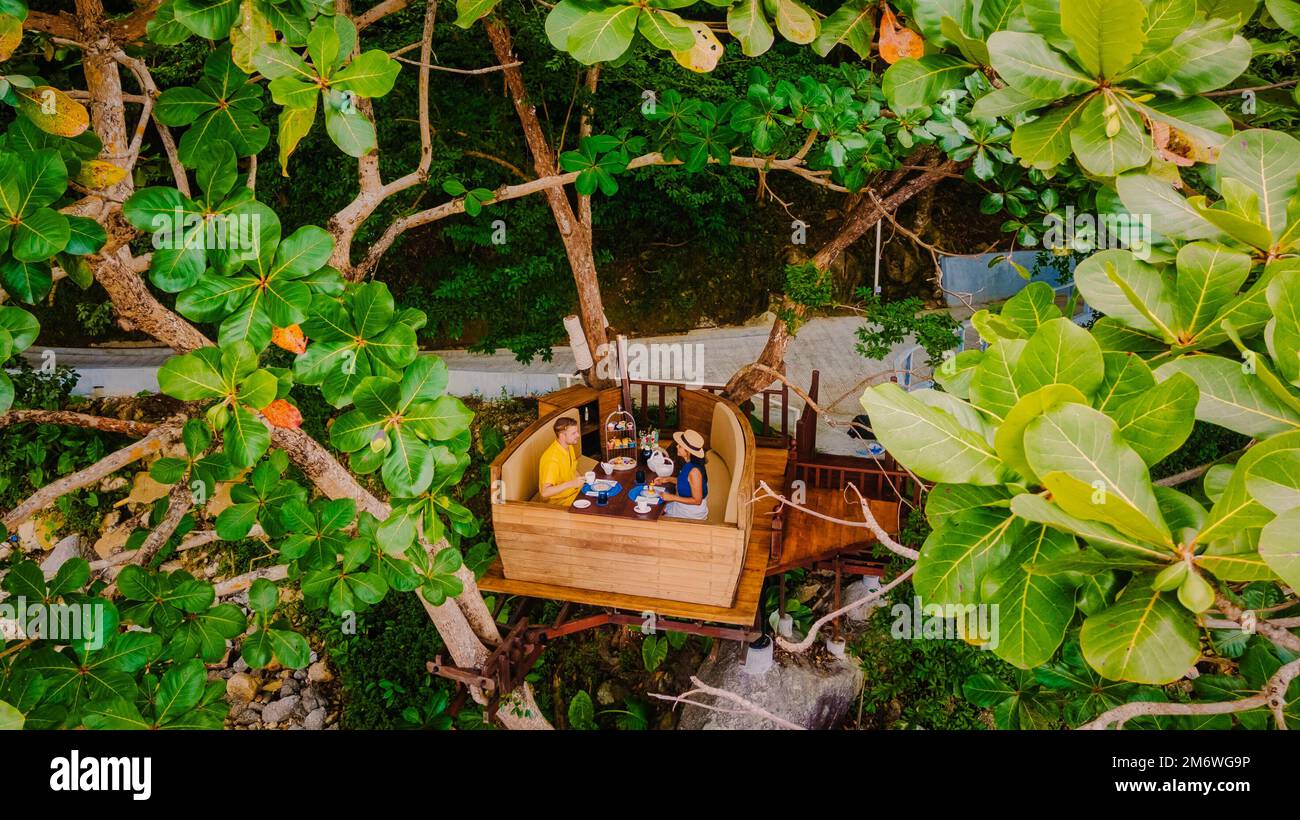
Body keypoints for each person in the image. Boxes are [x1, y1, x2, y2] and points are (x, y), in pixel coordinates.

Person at [654, 428, 709, 520]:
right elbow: (686, 482)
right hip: (682, 506)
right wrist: (667, 479)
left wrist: (672, 497)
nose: (677, 447)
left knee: (656, 517)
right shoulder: (689, 462)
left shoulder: (694, 472)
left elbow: (697, 500)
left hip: (690, 514)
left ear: (688, 451)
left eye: (680, 446)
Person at [538, 417, 586, 506]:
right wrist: (572, 483)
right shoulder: (552, 460)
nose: (578, 435)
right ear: (562, 436)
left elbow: (572, 470)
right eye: (573, 433)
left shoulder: (568, 446)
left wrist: (584, 480)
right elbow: (545, 492)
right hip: (560, 503)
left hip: (574, 492)